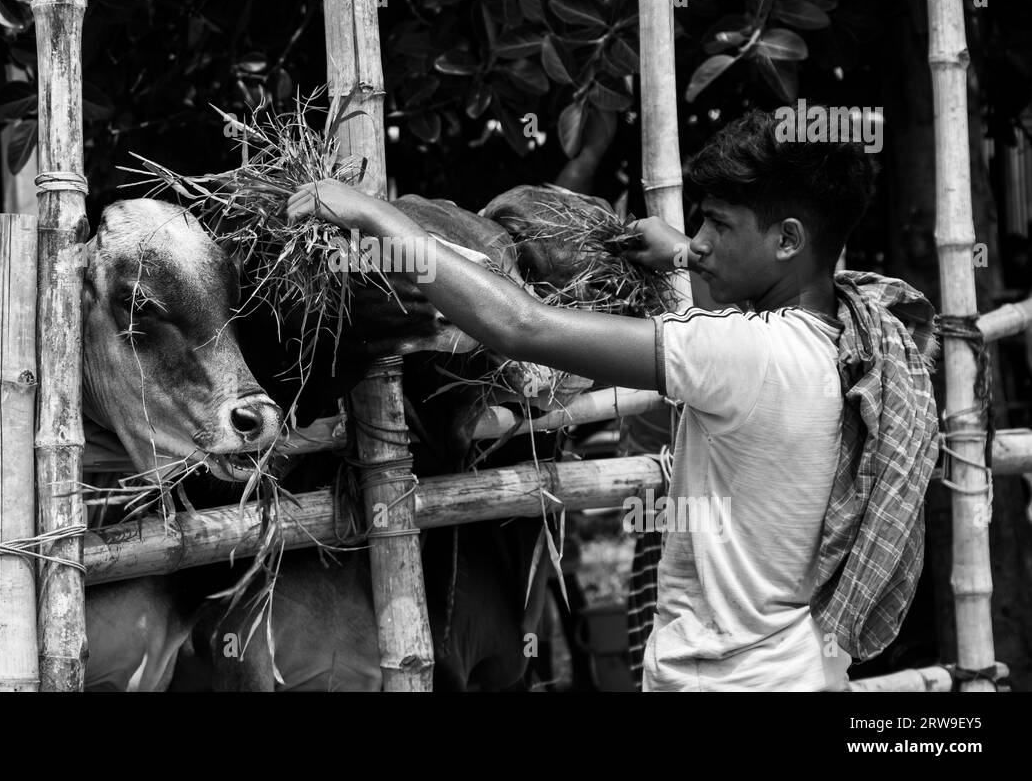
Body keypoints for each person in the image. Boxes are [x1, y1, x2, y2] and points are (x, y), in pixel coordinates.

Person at [286, 109, 939, 691]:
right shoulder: (854, 332)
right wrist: (684, 254)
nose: (701, 241)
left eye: (718, 223)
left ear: (788, 240)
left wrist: (376, 220)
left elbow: (523, 326)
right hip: (801, 666)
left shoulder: (743, 354)